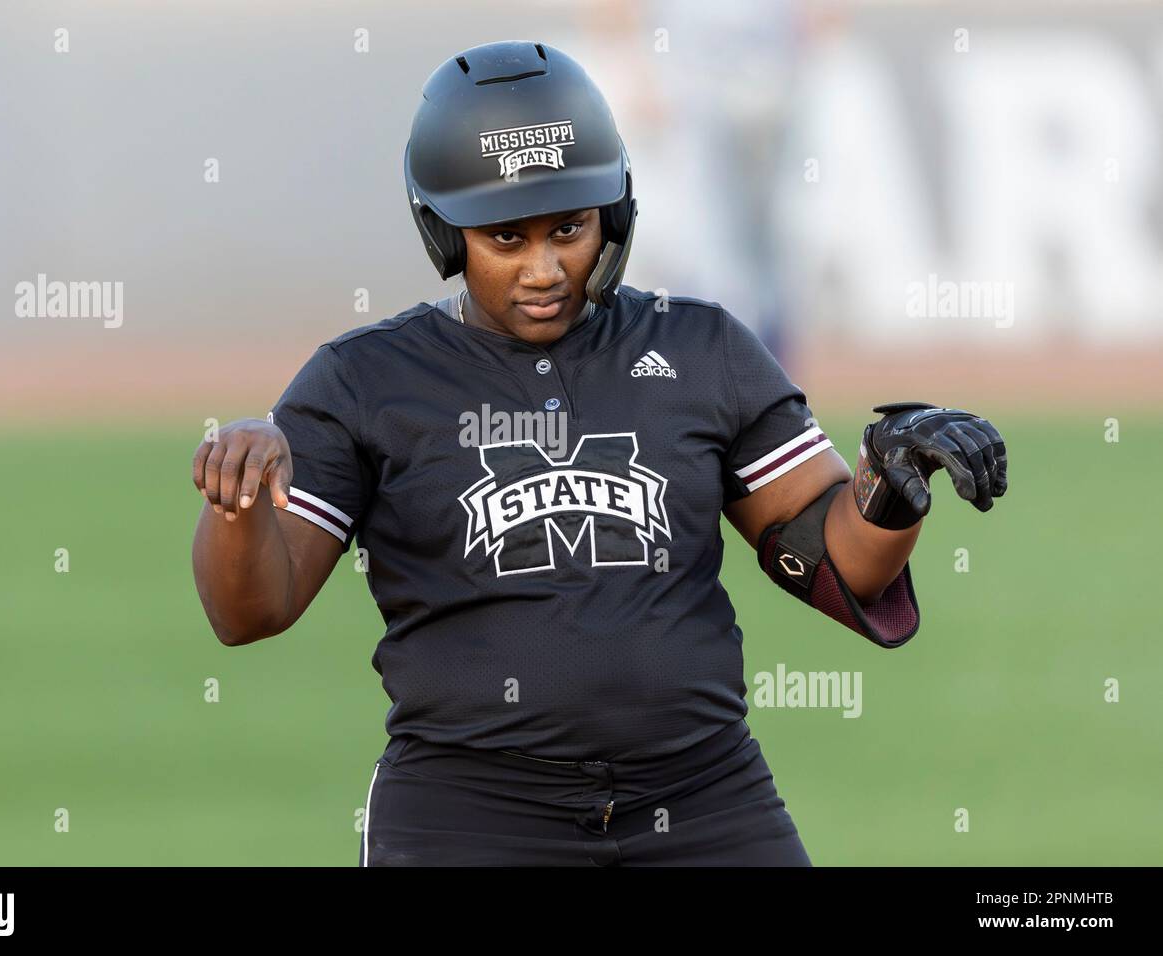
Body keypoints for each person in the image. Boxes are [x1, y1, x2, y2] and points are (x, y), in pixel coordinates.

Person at [190, 41, 1008, 866]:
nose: (545, 268)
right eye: (506, 237)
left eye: (570, 229)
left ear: (613, 213)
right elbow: (250, 613)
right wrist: (239, 504)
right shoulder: (365, 379)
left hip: (702, 797)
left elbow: (833, 566)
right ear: (445, 231)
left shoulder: (702, 349)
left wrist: (889, 484)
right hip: (467, 812)